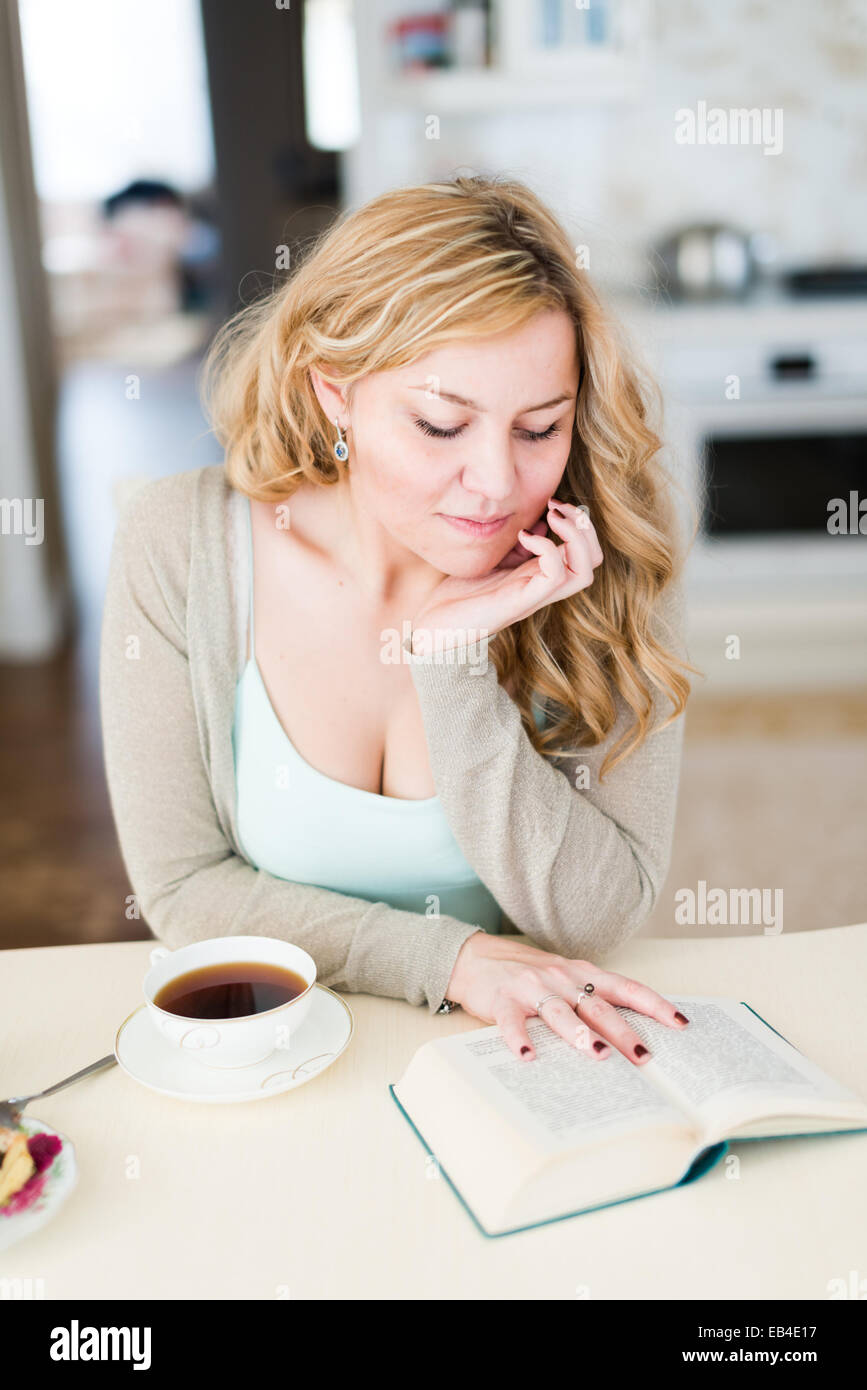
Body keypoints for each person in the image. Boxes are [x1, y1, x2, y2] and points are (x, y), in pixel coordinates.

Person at [99, 173, 696, 1066]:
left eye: (539, 429)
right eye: (439, 425)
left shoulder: (599, 556)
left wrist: (453, 663)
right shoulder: (181, 544)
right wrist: (448, 959)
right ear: (333, 395)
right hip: (281, 1045)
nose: (497, 484)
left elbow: (597, 916)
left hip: (514, 1053)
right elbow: (184, 890)